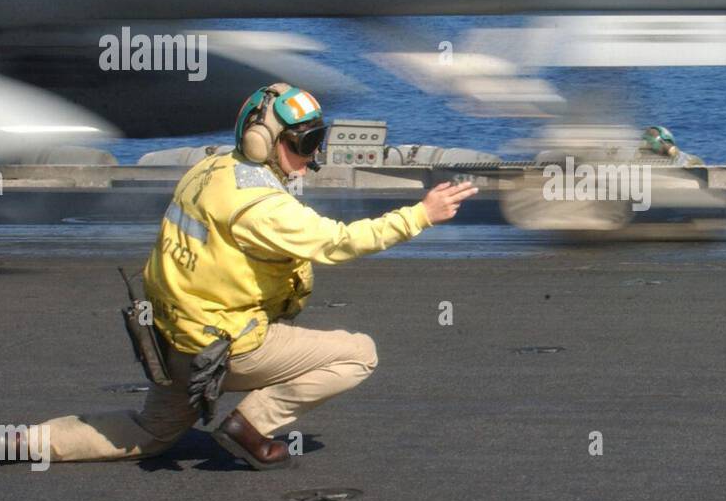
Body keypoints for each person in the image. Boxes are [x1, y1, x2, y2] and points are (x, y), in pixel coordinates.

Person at [30, 82, 477, 470]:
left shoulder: (208, 169)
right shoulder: (262, 207)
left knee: (148, 436)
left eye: (317, 139)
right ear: (264, 141)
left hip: (171, 342)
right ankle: (248, 425)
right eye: (303, 143)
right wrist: (422, 214)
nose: (312, 154)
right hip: (224, 349)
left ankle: (19, 441)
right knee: (359, 354)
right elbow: (340, 242)